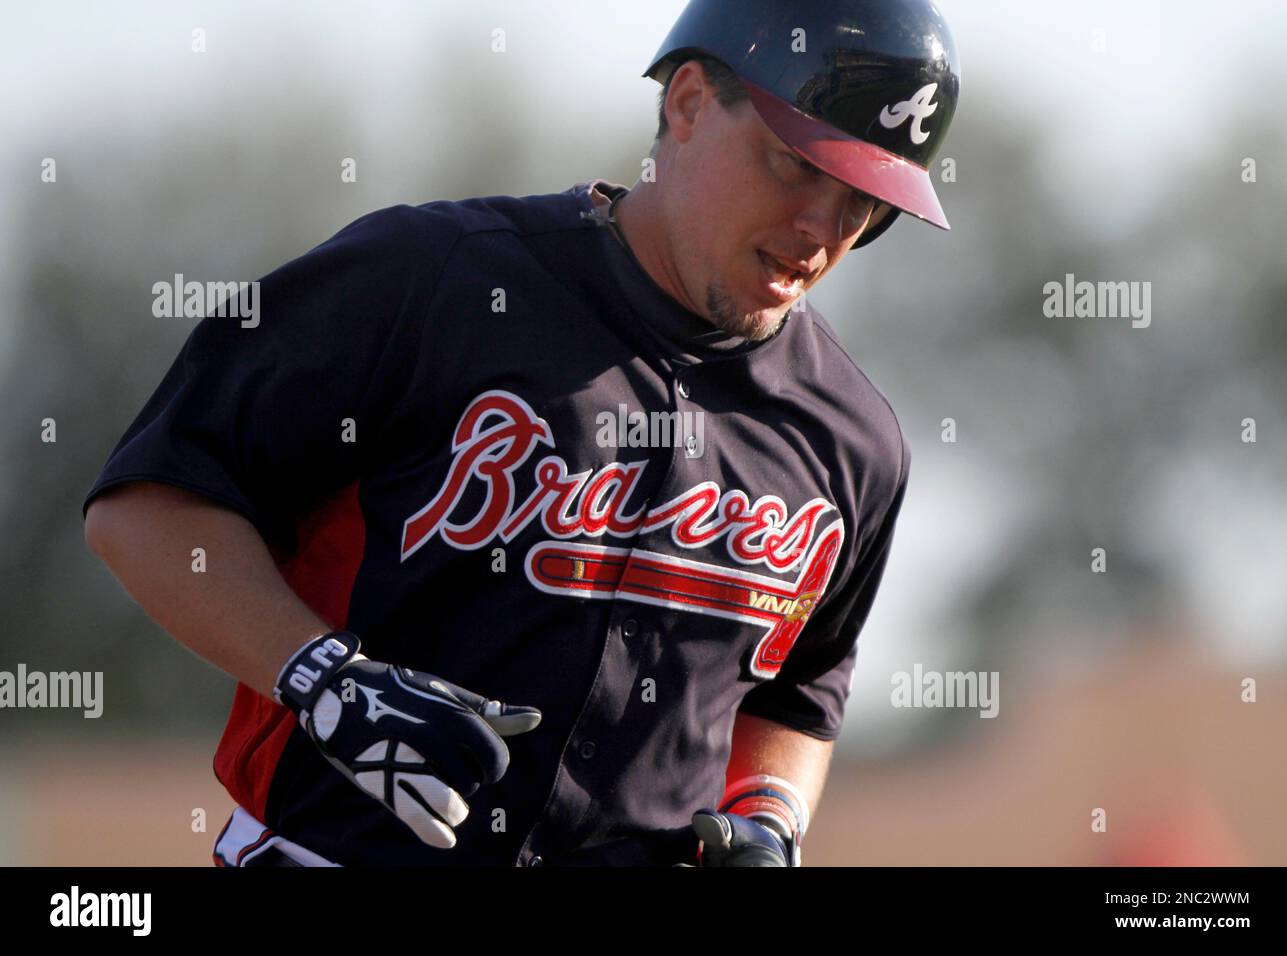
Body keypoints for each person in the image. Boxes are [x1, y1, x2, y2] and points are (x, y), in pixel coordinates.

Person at [82, 0, 959, 867]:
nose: (822, 230)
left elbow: (798, 696)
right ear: (690, 102)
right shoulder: (432, 279)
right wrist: (322, 676)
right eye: (796, 164)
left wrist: (770, 817)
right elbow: (149, 507)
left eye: (865, 200)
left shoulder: (855, 439)